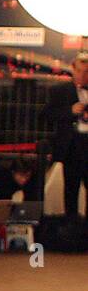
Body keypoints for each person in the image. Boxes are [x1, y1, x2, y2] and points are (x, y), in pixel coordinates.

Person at [43, 52, 88, 221]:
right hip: (72, 147)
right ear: (73, 70)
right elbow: (46, 114)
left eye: (87, 72)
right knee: (71, 188)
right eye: (81, 71)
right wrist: (69, 111)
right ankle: (72, 226)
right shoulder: (60, 91)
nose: (83, 76)